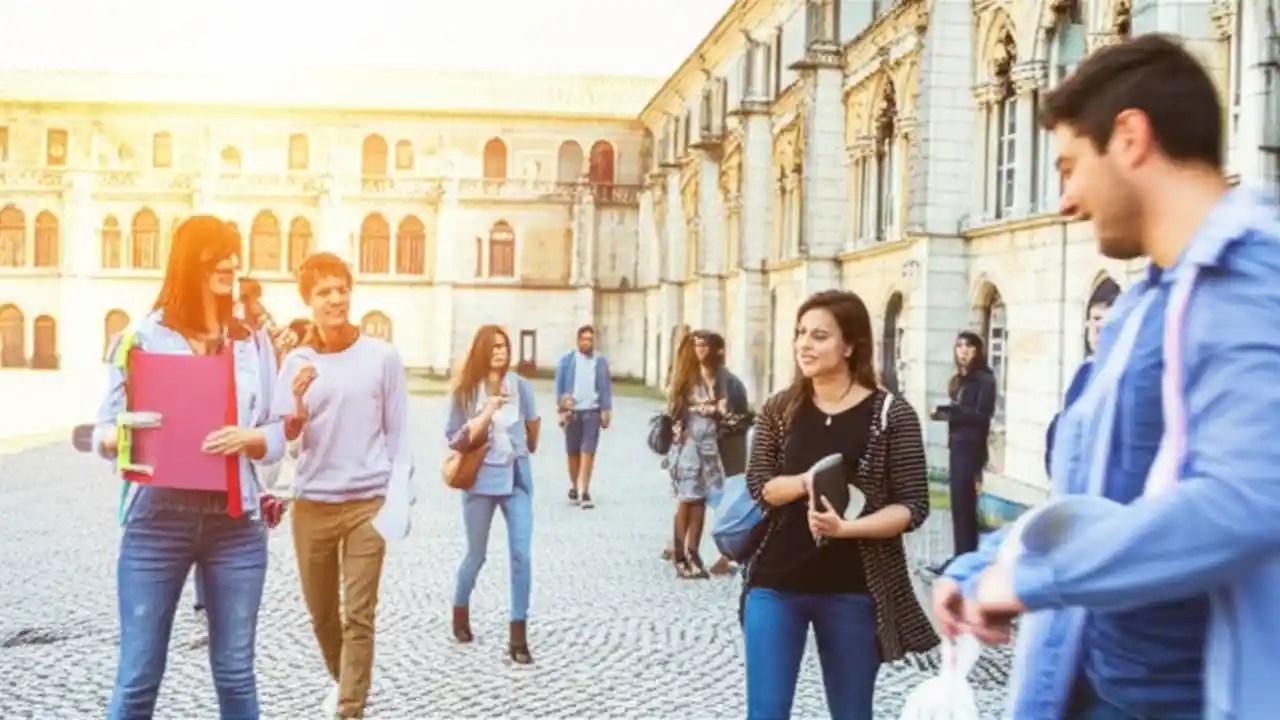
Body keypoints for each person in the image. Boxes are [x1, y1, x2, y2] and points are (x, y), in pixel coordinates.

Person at [946, 34, 1280, 719]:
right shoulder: (1138, 308)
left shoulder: (1252, 278)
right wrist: (988, 564)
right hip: (1095, 691)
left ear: (1130, 137)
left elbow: (1247, 499)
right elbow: (1093, 497)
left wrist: (1032, 579)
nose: (1065, 200)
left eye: (1069, 166)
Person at [93, 216, 285, 719]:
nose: (230, 263)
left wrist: (253, 438)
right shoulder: (141, 338)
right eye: (217, 253)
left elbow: (278, 432)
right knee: (137, 678)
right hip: (158, 521)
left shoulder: (251, 341)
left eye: (234, 254)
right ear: (188, 261)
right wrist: (125, 432)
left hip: (235, 524)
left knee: (237, 674)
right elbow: (102, 431)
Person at [741, 290, 937, 719]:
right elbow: (760, 486)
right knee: (766, 713)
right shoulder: (780, 408)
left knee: (851, 714)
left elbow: (913, 506)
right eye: (800, 334)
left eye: (819, 336)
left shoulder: (892, 414)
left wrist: (847, 530)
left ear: (849, 345)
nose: (804, 345)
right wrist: (805, 481)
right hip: (776, 584)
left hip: (854, 589)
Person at [274, 252, 414, 720]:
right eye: (323, 292)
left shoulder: (382, 357)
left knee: (359, 613)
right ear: (308, 301)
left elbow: (398, 434)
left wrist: (399, 497)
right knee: (322, 614)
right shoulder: (296, 360)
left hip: (367, 503)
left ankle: (349, 709)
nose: (335, 299)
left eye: (341, 289)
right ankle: (345, 680)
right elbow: (288, 443)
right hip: (312, 503)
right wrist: (295, 400)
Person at [446, 324, 541, 665]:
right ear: (482, 350)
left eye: (504, 345)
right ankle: (460, 609)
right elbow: (453, 437)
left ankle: (518, 633)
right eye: (494, 346)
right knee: (477, 554)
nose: (500, 351)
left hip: (515, 480)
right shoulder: (466, 392)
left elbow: (533, 424)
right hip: (479, 481)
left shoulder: (522, 386)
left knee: (521, 554)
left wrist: (527, 444)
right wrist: (486, 412)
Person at [930, 331, 996, 568]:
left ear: (978, 351)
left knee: (966, 508)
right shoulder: (962, 379)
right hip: (958, 448)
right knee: (958, 507)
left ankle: (968, 561)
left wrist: (950, 414)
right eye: (959, 347)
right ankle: (960, 557)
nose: (963, 351)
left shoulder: (985, 379)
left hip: (972, 450)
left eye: (969, 347)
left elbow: (981, 416)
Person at [1043, 288, 1119, 475]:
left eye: (1105, 320)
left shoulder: (1118, 372)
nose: (1098, 328)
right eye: (1095, 319)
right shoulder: (1086, 369)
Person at [552, 324, 612, 509]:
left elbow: (605, 387)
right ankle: (574, 484)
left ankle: (584, 490)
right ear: (578, 341)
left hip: (592, 411)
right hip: (573, 413)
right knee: (573, 453)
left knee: (588, 450)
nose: (588, 343)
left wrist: (606, 409)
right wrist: (562, 406)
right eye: (584, 339)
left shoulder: (600, 361)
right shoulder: (567, 360)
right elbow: (559, 386)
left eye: (591, 339)